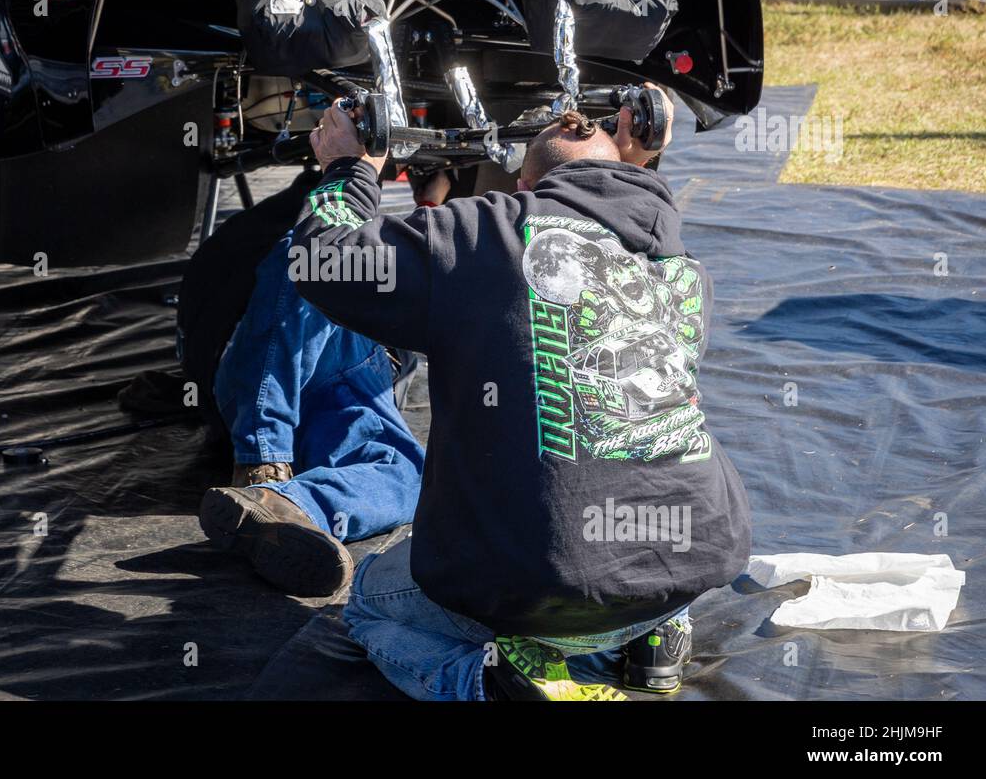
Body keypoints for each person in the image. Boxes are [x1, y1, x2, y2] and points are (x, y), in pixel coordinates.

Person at [292, 90, 752, 700]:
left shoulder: (487, 233)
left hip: (542, 580)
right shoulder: (684, 270)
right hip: (692, 562)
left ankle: (489, 684)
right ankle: (655, 640)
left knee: (373, 600)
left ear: (524, 185)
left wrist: (349, 168)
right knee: (642, 464)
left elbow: (323, 260)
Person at [185, 172, 428, 598]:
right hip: (263, 384)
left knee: (412, 475)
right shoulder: (292, 231)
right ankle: (263, 458)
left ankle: (287, 505)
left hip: (353, 396)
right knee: (314, 260)